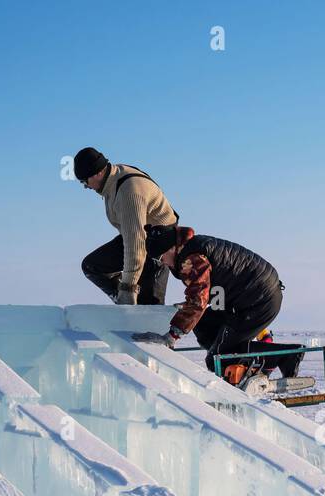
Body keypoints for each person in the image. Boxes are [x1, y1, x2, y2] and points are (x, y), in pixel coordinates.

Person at [137, 225, 301, 382]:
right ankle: (256, 364)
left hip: (259, 301)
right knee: (204, 326)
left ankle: (284, 356)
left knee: (218, 357)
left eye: (161, 257)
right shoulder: (193, 249)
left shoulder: (192, 258)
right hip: (247, 297)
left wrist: (172, 335)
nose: (163, 263)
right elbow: (211, 290)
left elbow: (199, 297)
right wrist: (189, 307)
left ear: (171, 248)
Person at [74, 146, 178, 305]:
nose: (85, 186)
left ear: (97, 173)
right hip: (141, 238)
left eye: (84, 181)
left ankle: (134, 305)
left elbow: (136, 243)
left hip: (158, 248)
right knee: (92, 266)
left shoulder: (128, 192)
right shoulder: (113, 181)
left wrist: (128, 288)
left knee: (148, 314)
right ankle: (125, 306)